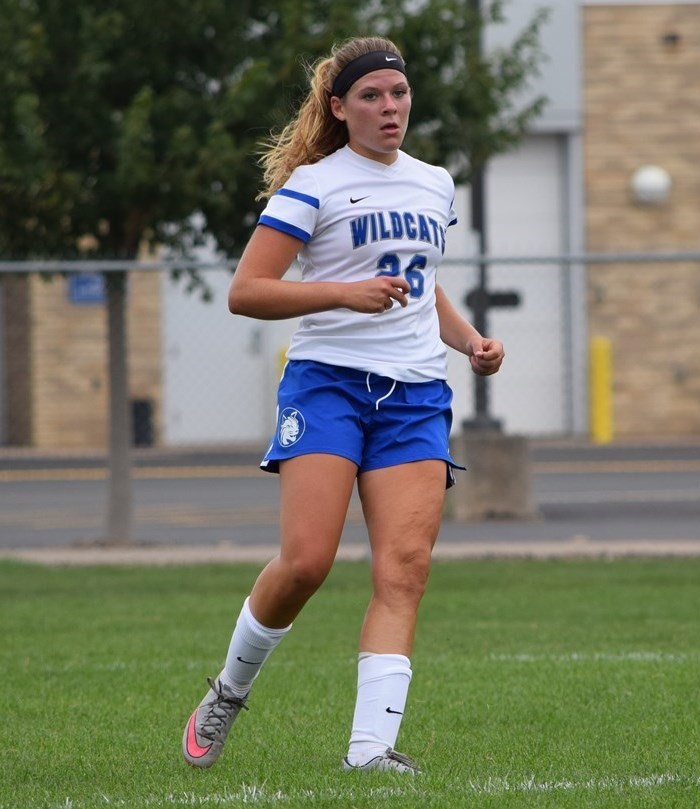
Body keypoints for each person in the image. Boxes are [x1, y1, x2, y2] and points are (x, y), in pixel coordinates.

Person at [181, 35, 504, 774]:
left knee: (404, 570)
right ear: (340, 107)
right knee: (306, 562)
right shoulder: (315, 186)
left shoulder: (435, 183)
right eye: (371, 97)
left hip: (417, 395)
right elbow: (247, 291)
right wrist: (342, 292)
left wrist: (472, 342)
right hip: (329, 383)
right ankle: (228, 690)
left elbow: (420, 284)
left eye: (398, 94)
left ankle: (371, 751)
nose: (389, 108)